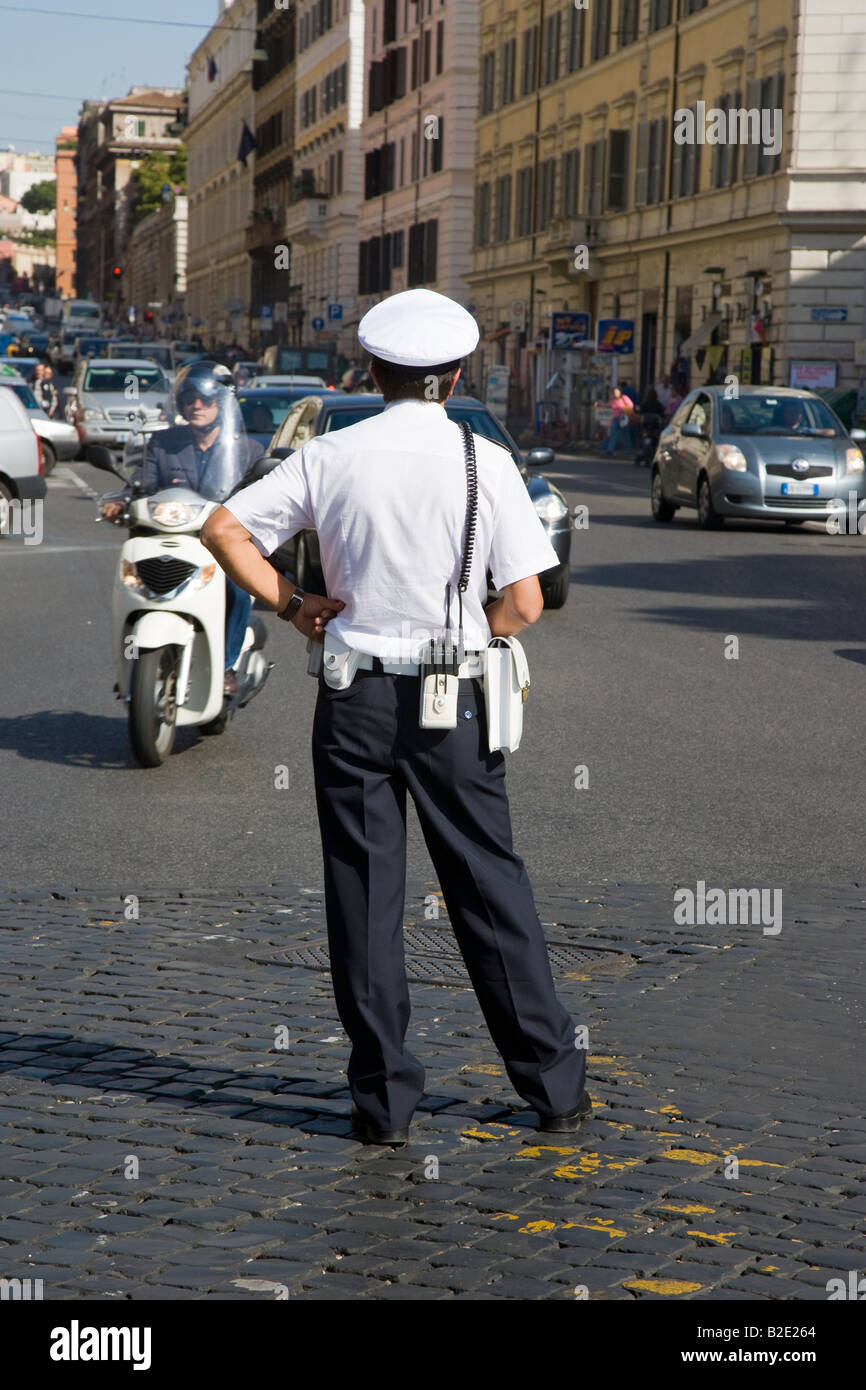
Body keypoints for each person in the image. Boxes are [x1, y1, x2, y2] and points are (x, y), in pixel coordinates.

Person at [200, 288, 592, 1147]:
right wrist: (466, 633)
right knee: (489, 886)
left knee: (365, 897)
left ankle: (382, 1104)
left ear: (372, 373)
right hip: (451, 699)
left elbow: (223, 529)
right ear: (452, 378)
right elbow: (525, 600)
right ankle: (553, 1086)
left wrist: (295, 603)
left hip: (353, 697)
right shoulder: (483, 462)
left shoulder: (331, 454)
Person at [100, 361, 265, 696]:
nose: (197, 405)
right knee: (131, 580)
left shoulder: (248, 451)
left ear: (223, 403)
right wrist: (120, 500)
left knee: (237, 588)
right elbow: (139, 485)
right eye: (189, 398)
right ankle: (133, 662)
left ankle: (228, 665)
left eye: (207, 399)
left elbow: (260, 496)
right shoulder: (162, 443)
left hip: (220, 544)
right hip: (167, 539)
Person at [595, 385, 633, 454]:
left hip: (623, 419)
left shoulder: (624, 398)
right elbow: (608, 406)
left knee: (625, 435)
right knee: (613, 434)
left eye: (616, 392)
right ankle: (610, 450)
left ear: (620, 392)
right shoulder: (612, 400)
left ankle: (628, 449)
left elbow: (631, 405)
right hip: (615, 418)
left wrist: (623, 409)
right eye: (614, 392)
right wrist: (599, 405)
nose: (615, 394)